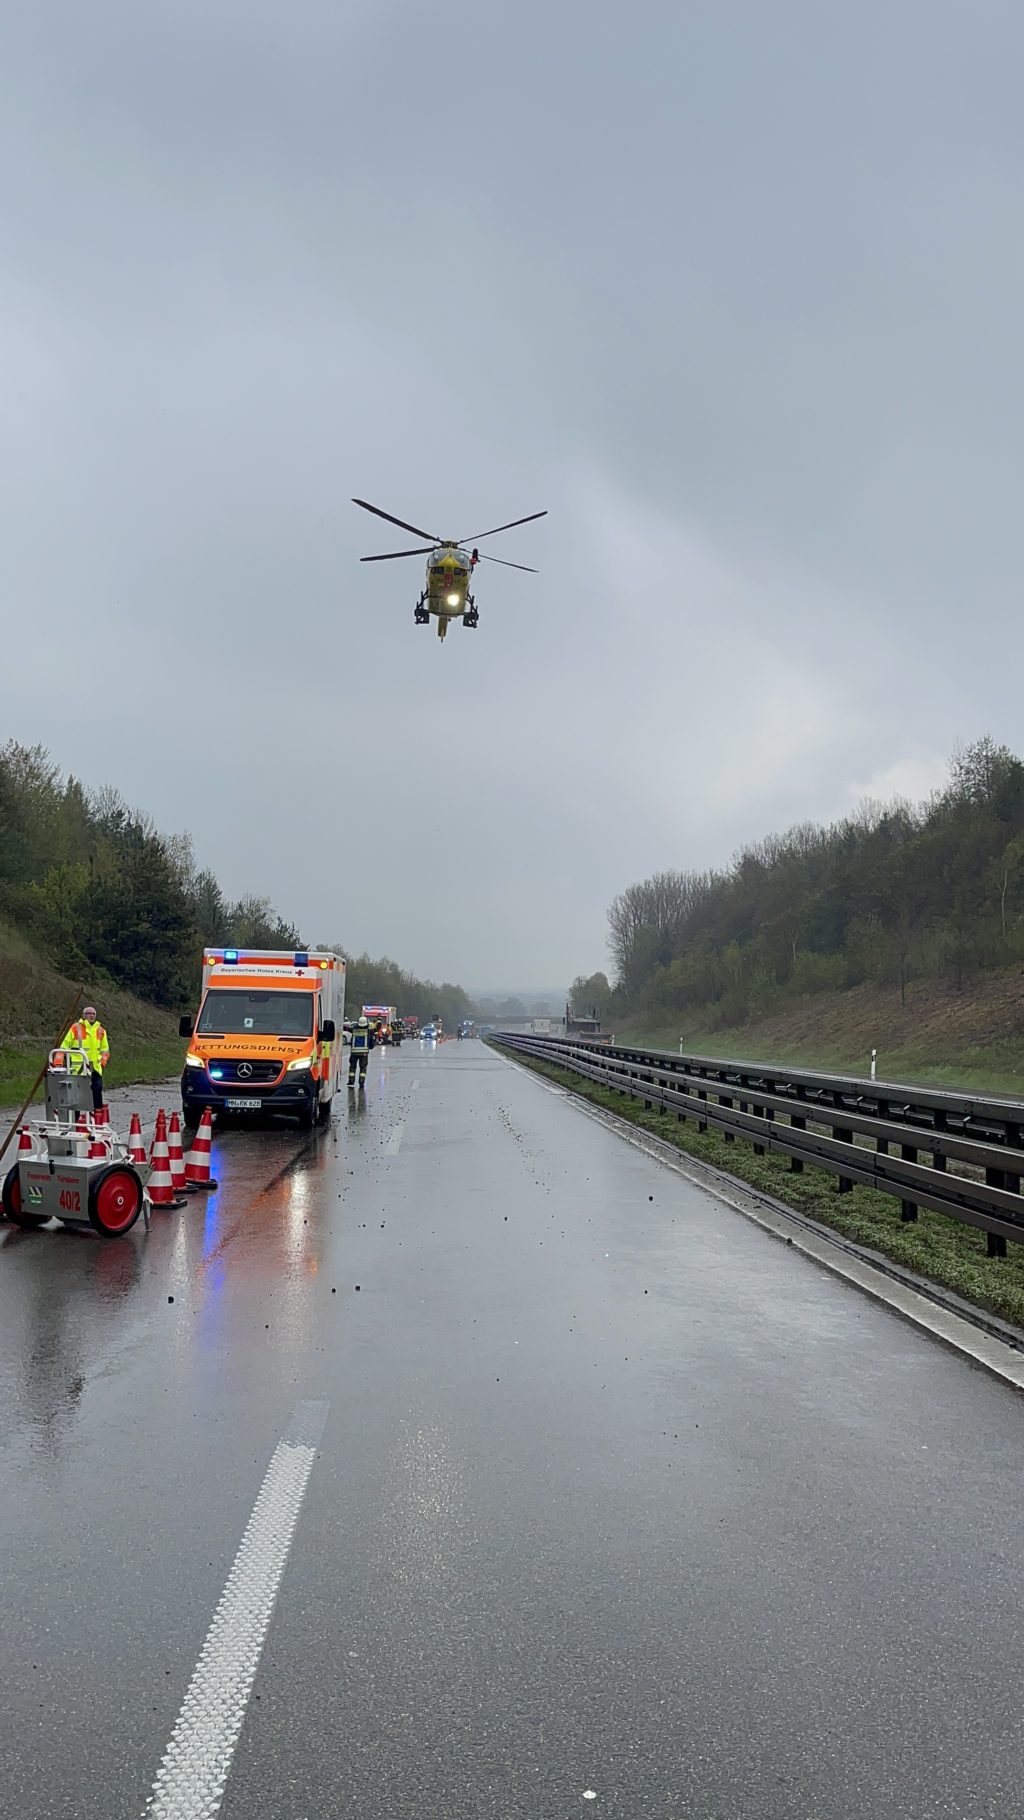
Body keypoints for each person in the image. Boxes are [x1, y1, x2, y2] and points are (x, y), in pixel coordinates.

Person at [60, 1004, 110, 1112]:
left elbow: (105, 1049)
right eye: (89, 1013)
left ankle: (97, 1115)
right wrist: (58, 1061)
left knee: (97, 1089)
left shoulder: (101, 1030)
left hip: (95, 1067)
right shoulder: (75, 1027)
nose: (91, 1016)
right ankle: (75, 1118)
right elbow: (65, 1045)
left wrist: (103, 1062)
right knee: (76, 1093)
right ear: (83, 1015)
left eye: (93, 1014)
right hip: (78, 1067)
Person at [348, 1015, 375, 1088]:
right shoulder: (368, 1031)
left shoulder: (354, 1029)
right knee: (363, 1068)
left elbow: (347, 1028)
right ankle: (361, 1083)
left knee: (352, 1067)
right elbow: (371, 1041)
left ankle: (351, 1081)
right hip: (364, 1053)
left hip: (354, 1052)